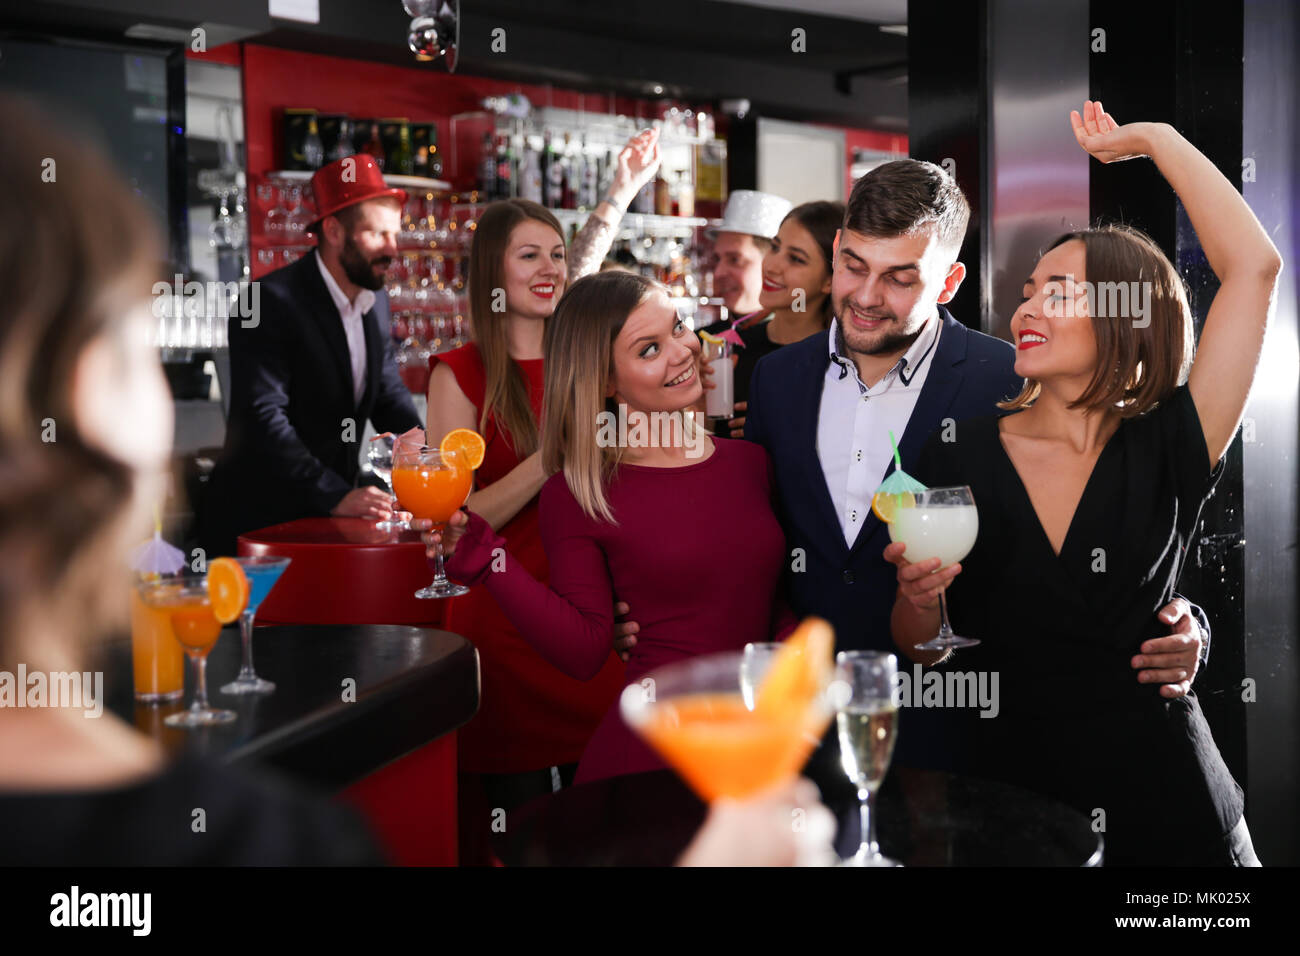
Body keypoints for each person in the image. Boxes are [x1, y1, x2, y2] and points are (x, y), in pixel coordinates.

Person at [616, 158, 1210, 774]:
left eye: (900, 278)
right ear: (839, 248)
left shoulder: (1010, 378)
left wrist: (1183, 622)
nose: (867, 298)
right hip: (797, 723)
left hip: (963, 732)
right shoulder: (775, 378)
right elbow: (750, 535)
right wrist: (637, 602)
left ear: (949, 282)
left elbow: (1120, 520)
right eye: (854, 267)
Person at [888, 102, 1278, 865]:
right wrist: (916, 597)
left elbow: (1255, 267)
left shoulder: (1174, 440)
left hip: (1173, 808)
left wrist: (1155, 143)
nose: (1027, 307)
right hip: (1012, 811)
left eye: (1058, 292)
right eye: (1029, 290)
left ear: (1127, 317)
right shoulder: (953, 451)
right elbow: (922, 649)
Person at [0, 95, 382, 865]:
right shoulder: (269, 847)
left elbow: (390, 398)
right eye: (140, 348)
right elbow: (266, 423)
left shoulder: (372, 309)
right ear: (92, 394)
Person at [423, 271, 797, 786]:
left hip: (759, 745)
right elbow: (584, 650)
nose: (683, 350)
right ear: (604, 381)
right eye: (648, 349)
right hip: (654, 761)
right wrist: (489, 560)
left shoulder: (751, 461)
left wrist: (791, 641)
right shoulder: (580, 492)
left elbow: (759, 590)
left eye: (679, 327)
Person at [423, 130, 661, 862]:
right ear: (492, 272)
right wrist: (550, 461)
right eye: (530, 256)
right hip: (505, 625)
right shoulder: (459, 373)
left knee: (605, 831)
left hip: (591, 627)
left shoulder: (579, 354)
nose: (552, 268)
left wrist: (620, 189)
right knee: (523, 842)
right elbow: (452, 526)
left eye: (558, 255)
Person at [199, 155, 423, 556]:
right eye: (377, 235)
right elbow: (263, 417)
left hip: (325, 521)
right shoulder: (267, 301)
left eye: (395, 234)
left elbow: (389, 395)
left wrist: (427, 460)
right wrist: (336, 495)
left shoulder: (376, 300)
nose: (393, 249)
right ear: (334, 231)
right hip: (258, 521)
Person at [705, 200, 844, 438]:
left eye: (796, 259)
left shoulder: (842, 363)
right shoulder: (728, 348)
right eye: (775, 247)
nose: (772, 266)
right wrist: (697, 399)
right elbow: (706, 442)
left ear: (830, 280)